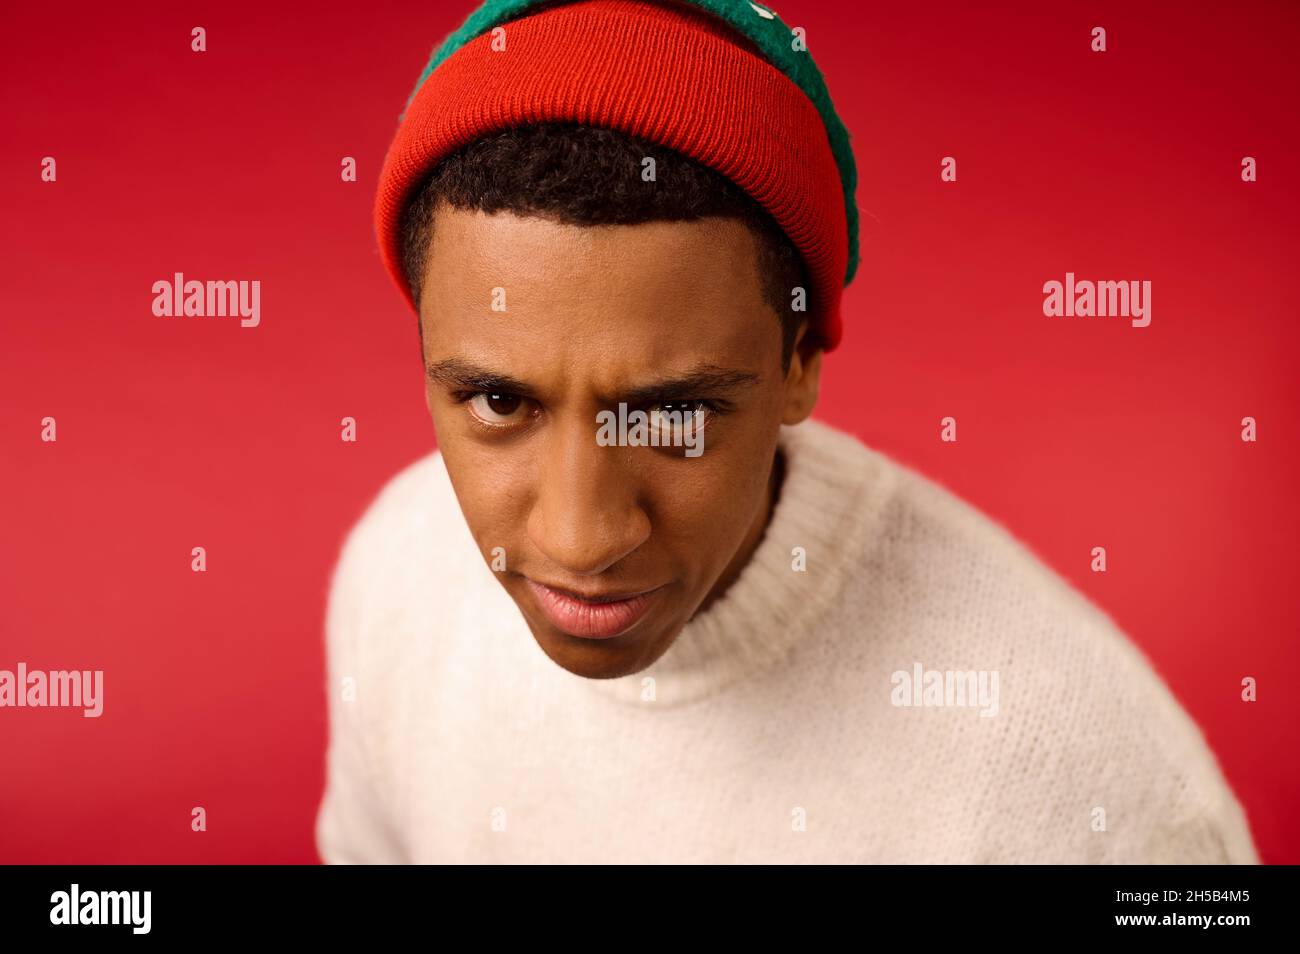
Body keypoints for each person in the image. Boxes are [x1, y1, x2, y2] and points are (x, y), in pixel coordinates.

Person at [316, 0, 1259, 863]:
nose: (578, 538)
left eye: (672, 412)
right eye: (497, 401)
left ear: (798, 362)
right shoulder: (394, 577)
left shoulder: (1079, 772)